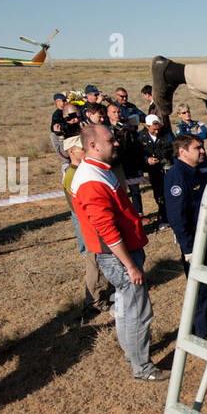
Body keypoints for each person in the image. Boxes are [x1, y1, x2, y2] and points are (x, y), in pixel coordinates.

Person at [70, 124, 166, 381]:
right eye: (110, 140)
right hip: (118, 257)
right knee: (138, 311)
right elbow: (106, 230)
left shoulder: (100, 171)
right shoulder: (91, 180)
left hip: (120, 254)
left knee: (125, 306)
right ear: (93, 145)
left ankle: (131, 353)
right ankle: (142, 367)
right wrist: (130, 266)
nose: (116, 143)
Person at [162, 134, 207, 340]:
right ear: (182, 152)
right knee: (201, 286)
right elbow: (177, 216)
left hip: (206, 234)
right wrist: (188, 248)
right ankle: (201, 331)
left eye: (202, 147)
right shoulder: (177, 176)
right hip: (194, 240)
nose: (202, 151)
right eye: (197, 148)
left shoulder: (198, 170)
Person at [61, 135, 112, 320]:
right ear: (70, 152)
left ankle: (102, 293)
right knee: (94, 260)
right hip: (88, 223)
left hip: (92, 221)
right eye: (80, 148)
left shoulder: (80, 170)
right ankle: (95, 299)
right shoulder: (72, 175)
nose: (84, 150)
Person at [107, 103, 146, 215]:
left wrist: (130, 130)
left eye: (118, 112)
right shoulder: (106, 129)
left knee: (135, 189)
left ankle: (139, 213)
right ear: (108, 114)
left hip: (130, 161)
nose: (117, 114)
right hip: (116, 164)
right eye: (114, 112)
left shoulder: (127, 127)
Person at [138, 114, 174, 223]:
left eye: (158, 129)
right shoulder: (140, 137)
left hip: (167, 167)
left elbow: (173, 147)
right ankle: (163, 218)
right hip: (154, 171)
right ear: (147, 126)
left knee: (171, 193)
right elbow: (137, 154)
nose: (157, 132)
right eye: (154, 130)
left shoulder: (166, 133)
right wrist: (147, 160)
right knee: (159, 195)